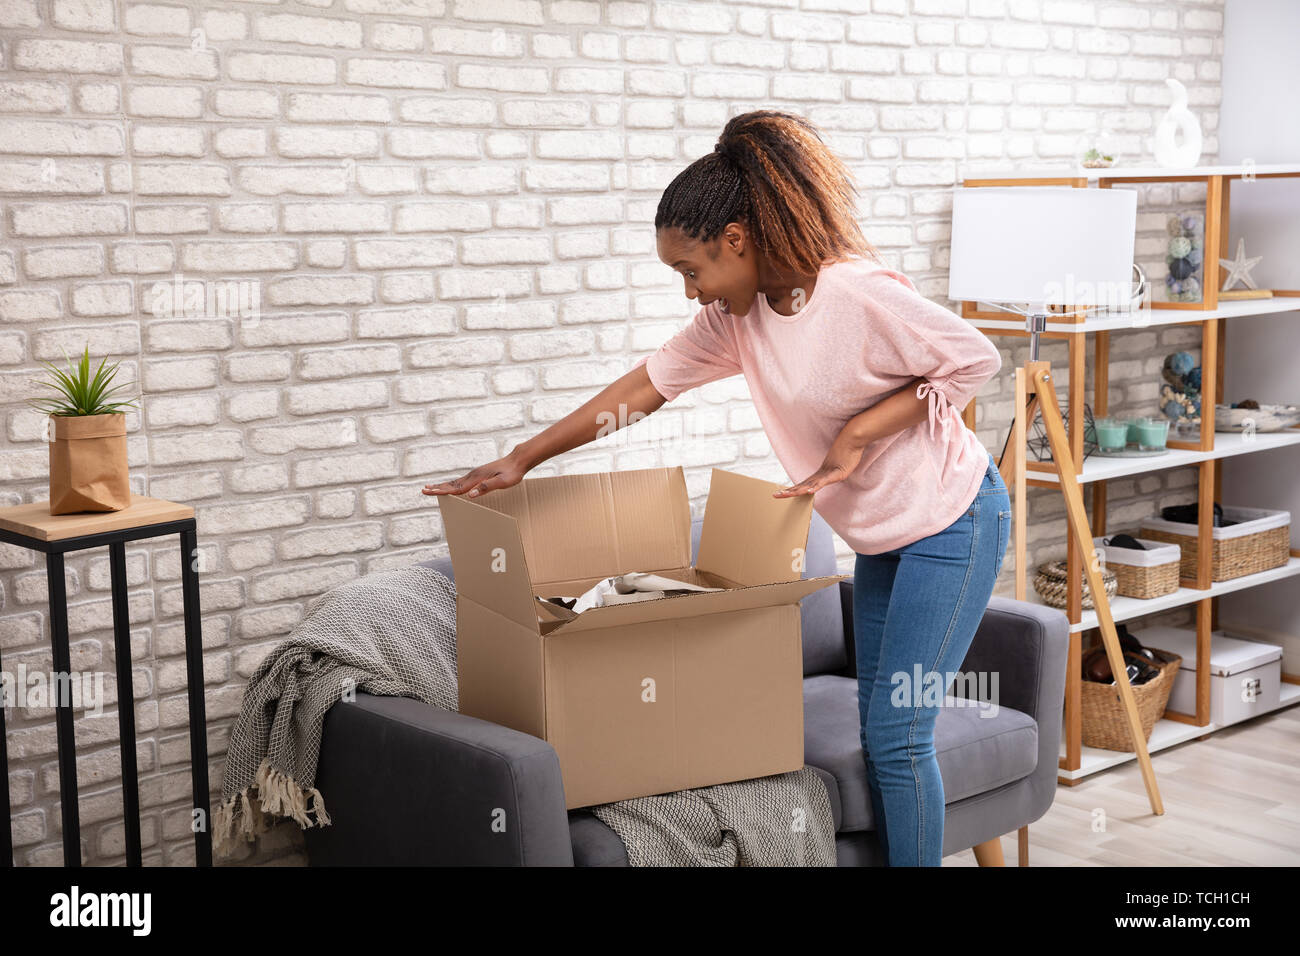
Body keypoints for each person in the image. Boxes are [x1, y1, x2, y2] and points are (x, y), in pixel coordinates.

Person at [424, 109, 1010, 867]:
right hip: (880, 539)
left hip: (952, 522)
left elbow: (974, 358)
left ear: (736, 240)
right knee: (880, 727)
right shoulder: (740, 319)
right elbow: (642, 390)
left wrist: (858, 434)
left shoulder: (856, 294)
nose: (690, 292)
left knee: (899, 735)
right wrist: (525, 458)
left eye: (691, 271)